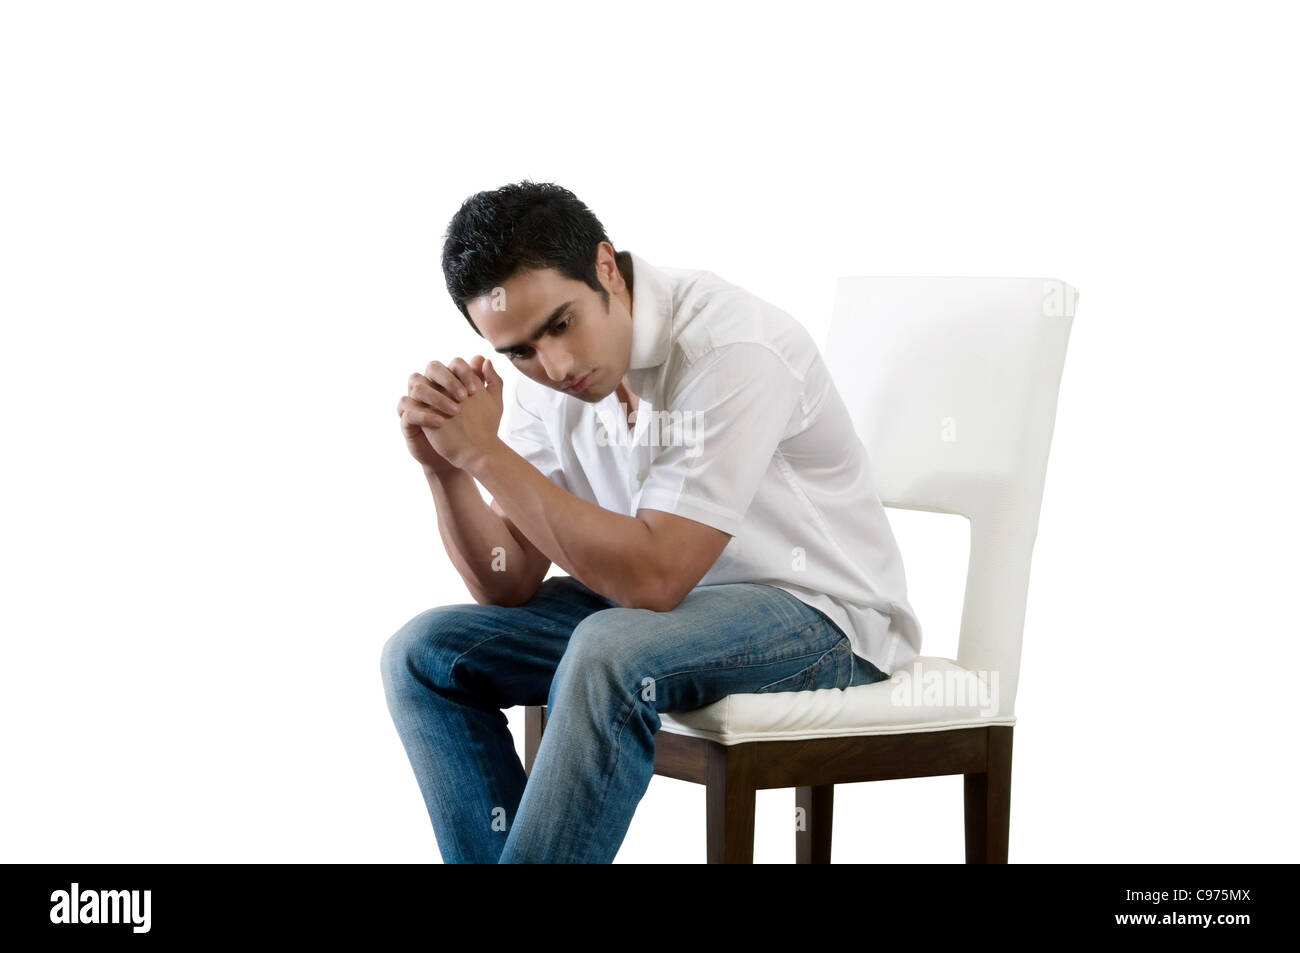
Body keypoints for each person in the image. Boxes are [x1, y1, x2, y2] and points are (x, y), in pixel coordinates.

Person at [382, 180, 922, 863]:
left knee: (610, 649)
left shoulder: (731, 347)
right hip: (661, 617)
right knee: (424, 655)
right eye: (518, 351)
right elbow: (507, 579)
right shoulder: (544, 384)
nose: (557, 366)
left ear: (606, 266)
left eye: (560, 323)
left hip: (820, 614)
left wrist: (487, 452)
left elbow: (657, 577)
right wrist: (447, 467)